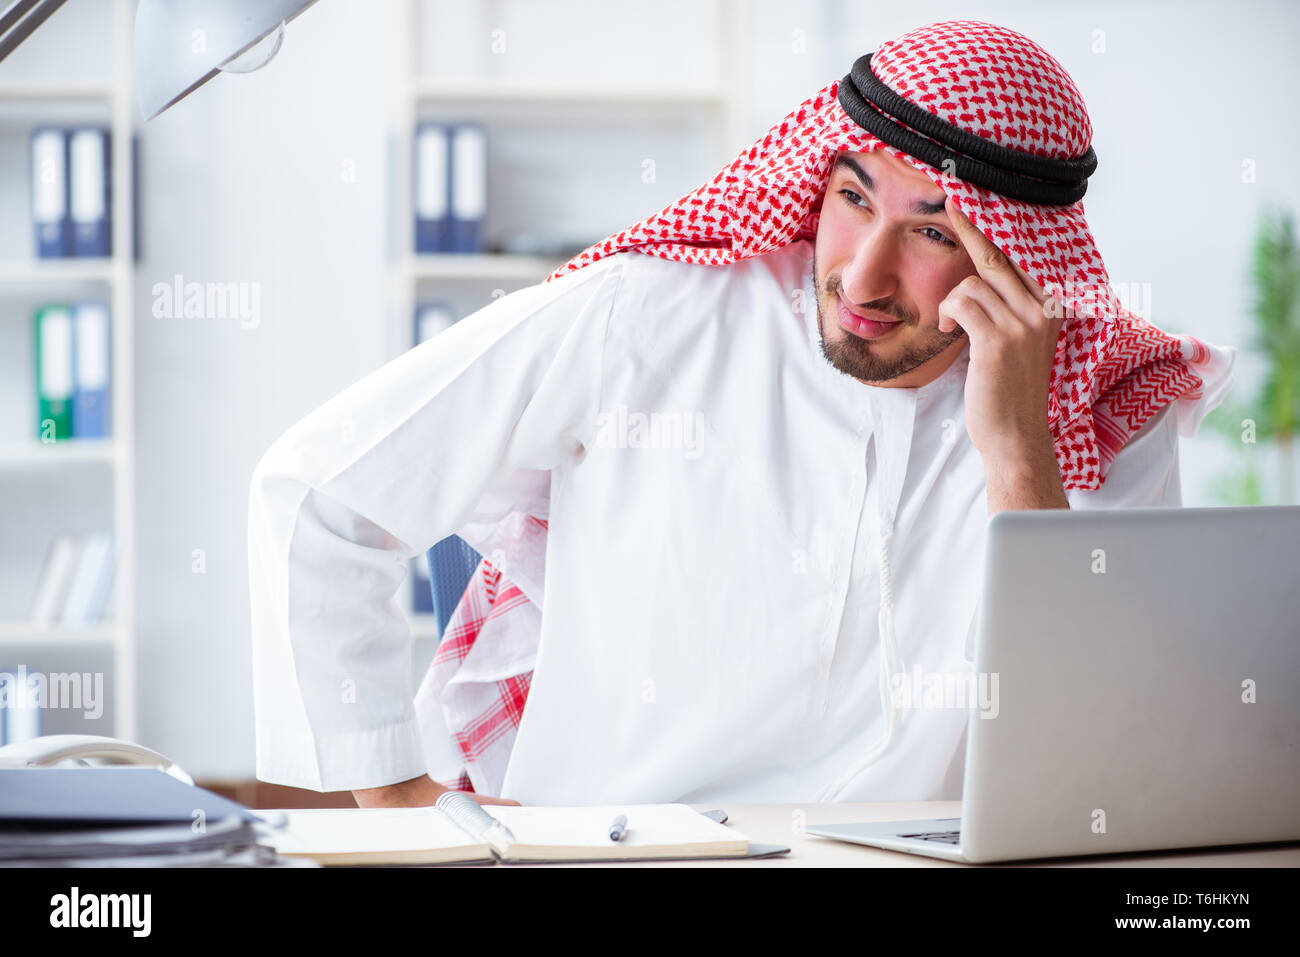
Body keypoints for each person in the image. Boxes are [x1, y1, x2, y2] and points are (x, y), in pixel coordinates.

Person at [247, 20, 1235, 809]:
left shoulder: (1100, 402)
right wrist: (404, 799)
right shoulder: (649, 315)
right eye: (853, 199)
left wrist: (1021, 462)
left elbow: (1097, 762)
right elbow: (317, 496)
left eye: (931, 229)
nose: (862, 272)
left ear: (1019, 258)